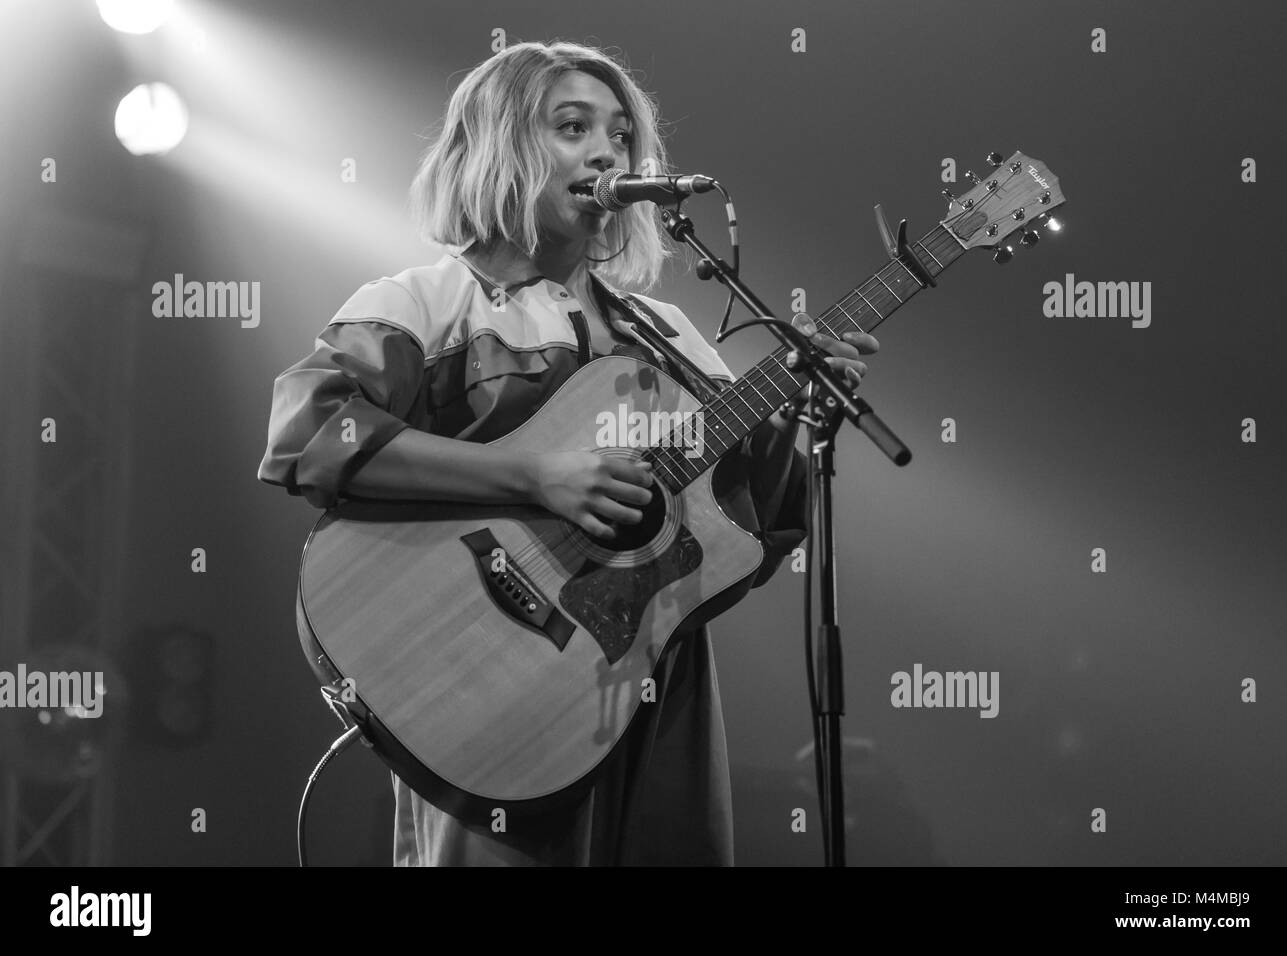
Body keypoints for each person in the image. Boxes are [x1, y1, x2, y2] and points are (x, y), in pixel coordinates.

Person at [257, 39, 877, 866]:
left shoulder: (673, 336)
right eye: (573, 126)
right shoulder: (422, 303)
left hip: (652, 680)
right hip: (489, 674)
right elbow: (308, 435)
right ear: (498, 146)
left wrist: (798, 415)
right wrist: (535, 475)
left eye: (621, 135)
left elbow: (753, 530)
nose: (607, 152)